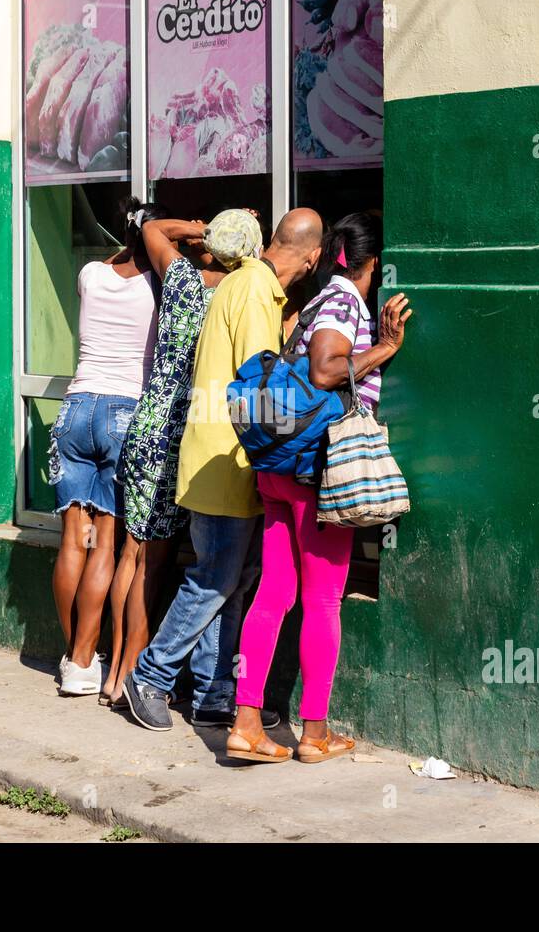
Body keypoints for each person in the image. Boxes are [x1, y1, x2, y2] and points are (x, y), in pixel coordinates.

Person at [123, 208, 326, 732]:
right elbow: (261, 387)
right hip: (227, 460)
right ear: (313, 257)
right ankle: (150, 676)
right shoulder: (257, 293)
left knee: (234, 582)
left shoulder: (241, 284)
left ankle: (215, 692)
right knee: (214, 581)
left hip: (215, 457)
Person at [227, 211, 413, 762]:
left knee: (275, 593)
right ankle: (313, 733)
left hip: (280, 472)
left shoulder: (312, 300)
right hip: (314, 472)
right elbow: (327, 371)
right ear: (371, 263)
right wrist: (386, 347)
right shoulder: (342, 301)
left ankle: (246, 725)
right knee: (324, 599)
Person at [100, 210, 258, 708]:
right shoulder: (233, 294)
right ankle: (135, 676)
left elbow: (149, 230)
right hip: (183, 438)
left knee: (133, 552)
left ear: (209, 246)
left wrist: (197, 228)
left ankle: (114, 671)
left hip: (148, 423)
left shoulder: (183, 281)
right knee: (160, 564)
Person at [50, 197, 166, 696]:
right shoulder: (160, 283)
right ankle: (85, 656)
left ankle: (76, 656)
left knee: (75, 539)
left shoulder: (90, 274)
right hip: (124, 412)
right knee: (106, 541)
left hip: (75, 408)